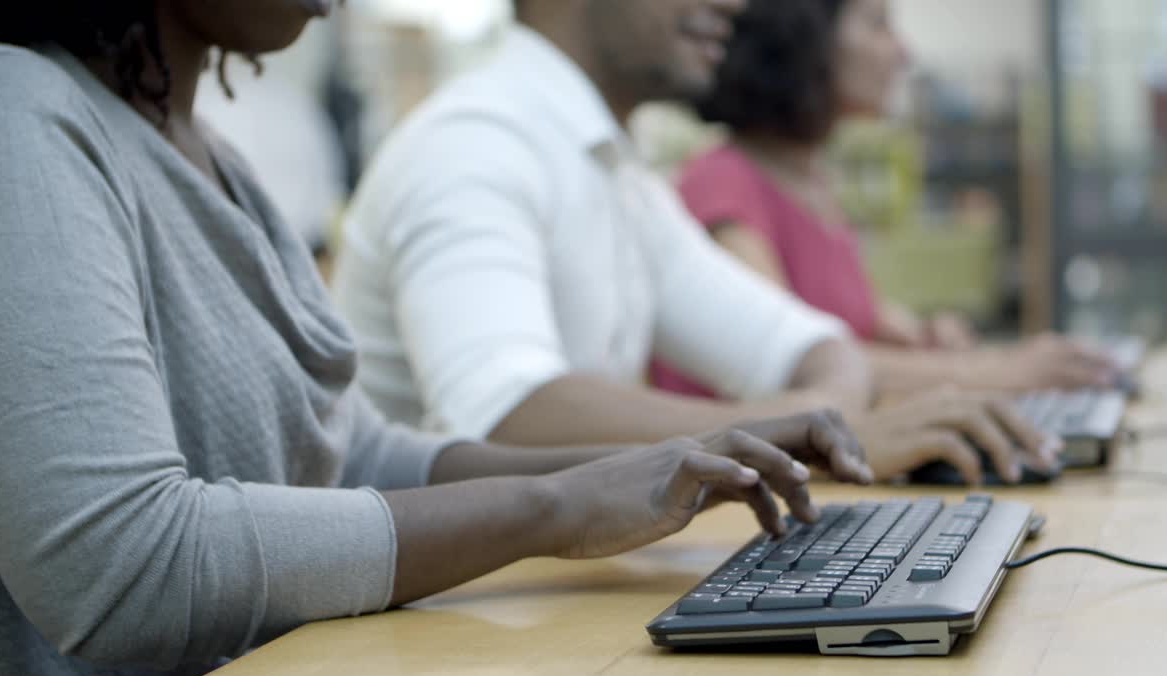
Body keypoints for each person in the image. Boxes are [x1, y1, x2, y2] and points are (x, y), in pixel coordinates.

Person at [0, 3, 876, 676]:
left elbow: (354, 458)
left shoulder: (217, 157)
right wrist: (551, 507)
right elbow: (114, 564)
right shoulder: (22, 119)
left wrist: (649, 468)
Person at [333, 0, 1059, 485]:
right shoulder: (475, 145)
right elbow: (507, 417)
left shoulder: (617, 173)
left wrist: (836, 423)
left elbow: (808, 343)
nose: (737, 4)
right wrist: (825, 433)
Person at [652, 0, 1121, 399]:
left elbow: (857, 329)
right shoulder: (723, 184)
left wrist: (925, 339)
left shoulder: (813, 183)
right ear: (802, 43)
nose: (903, 53)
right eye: (878, 24)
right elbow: (787, 367)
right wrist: (997, 372)